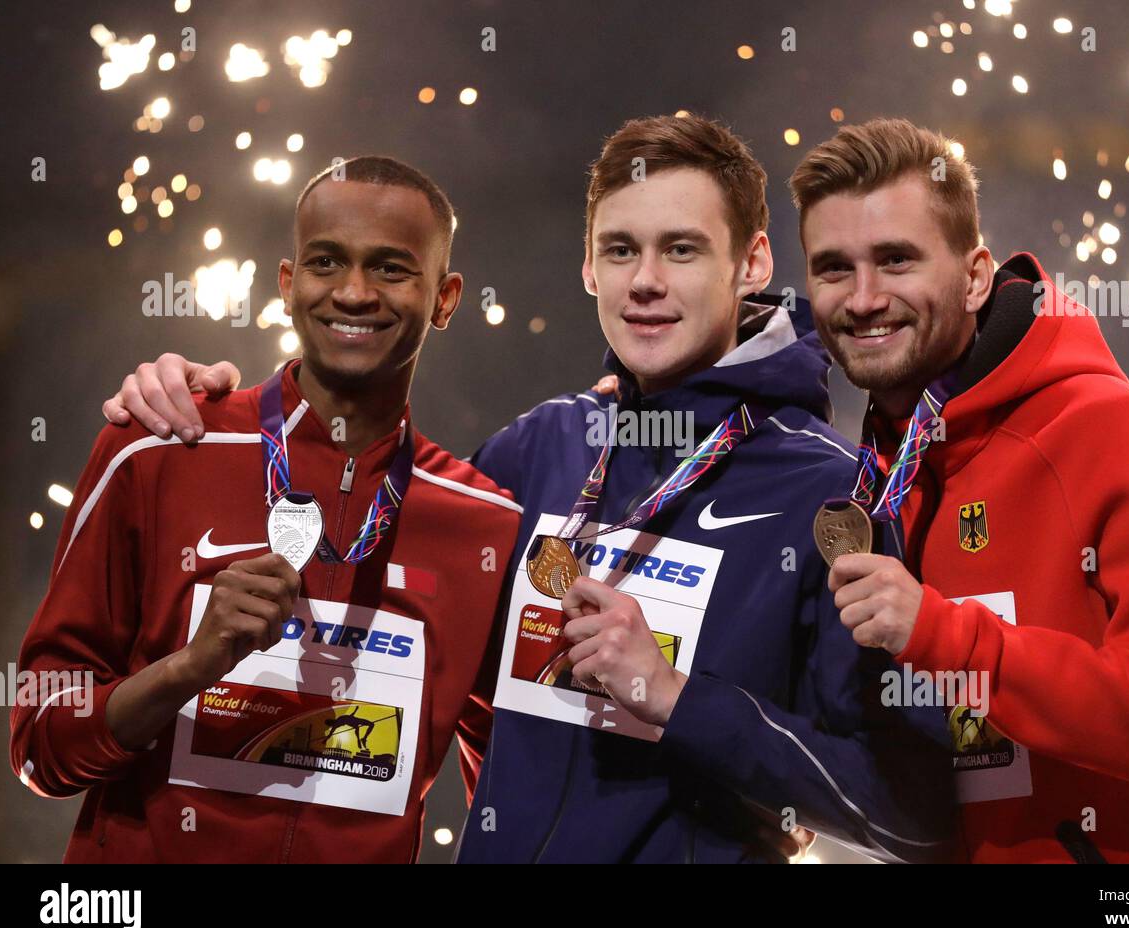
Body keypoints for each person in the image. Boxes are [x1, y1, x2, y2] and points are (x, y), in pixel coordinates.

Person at [99, 115, 958, 863]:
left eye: (682, 248)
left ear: (753, 260)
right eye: (620, 249)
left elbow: (915, 814)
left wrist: (674, 699)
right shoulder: (535, 449)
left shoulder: (835, 492)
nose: (646, 280)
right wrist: (207, 408)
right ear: (588, 267)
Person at [11, 156, 522, 862]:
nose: (353, 292)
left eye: (392, 269)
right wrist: (187, 668)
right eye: (326, 262)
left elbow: (529, 791)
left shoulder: (484, 524)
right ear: (287, 285)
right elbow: (40, 746)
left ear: (445, 297)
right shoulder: (159, 446)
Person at [791, 118, 1129, 862]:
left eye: (896, 259)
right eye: (834, 268)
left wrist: (948, 639)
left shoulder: (1116, 432)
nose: (865, 297)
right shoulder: (877, 478)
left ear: (976, 275)